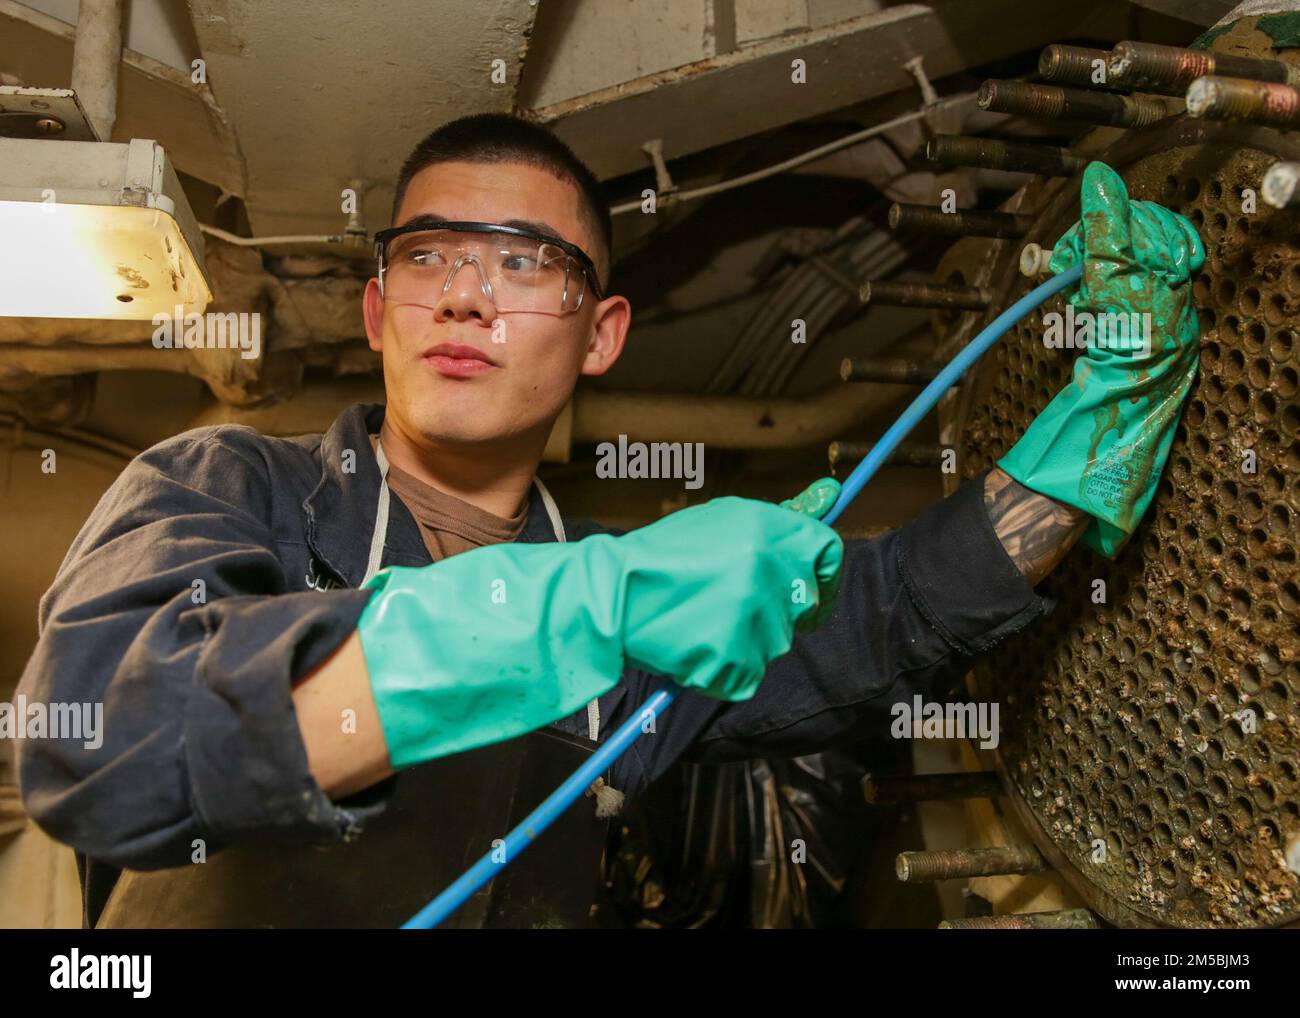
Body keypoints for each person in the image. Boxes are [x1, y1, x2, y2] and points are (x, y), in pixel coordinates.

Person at [15, 115, 1201, 927]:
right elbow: (104, 753)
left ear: (602, 334)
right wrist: (578, 608)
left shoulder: (638, 636)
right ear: (378, 309)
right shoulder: (229, 485)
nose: (466, 293)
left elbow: (881, 615)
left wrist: (1099, 427)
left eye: (524, 263)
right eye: (429, 257)